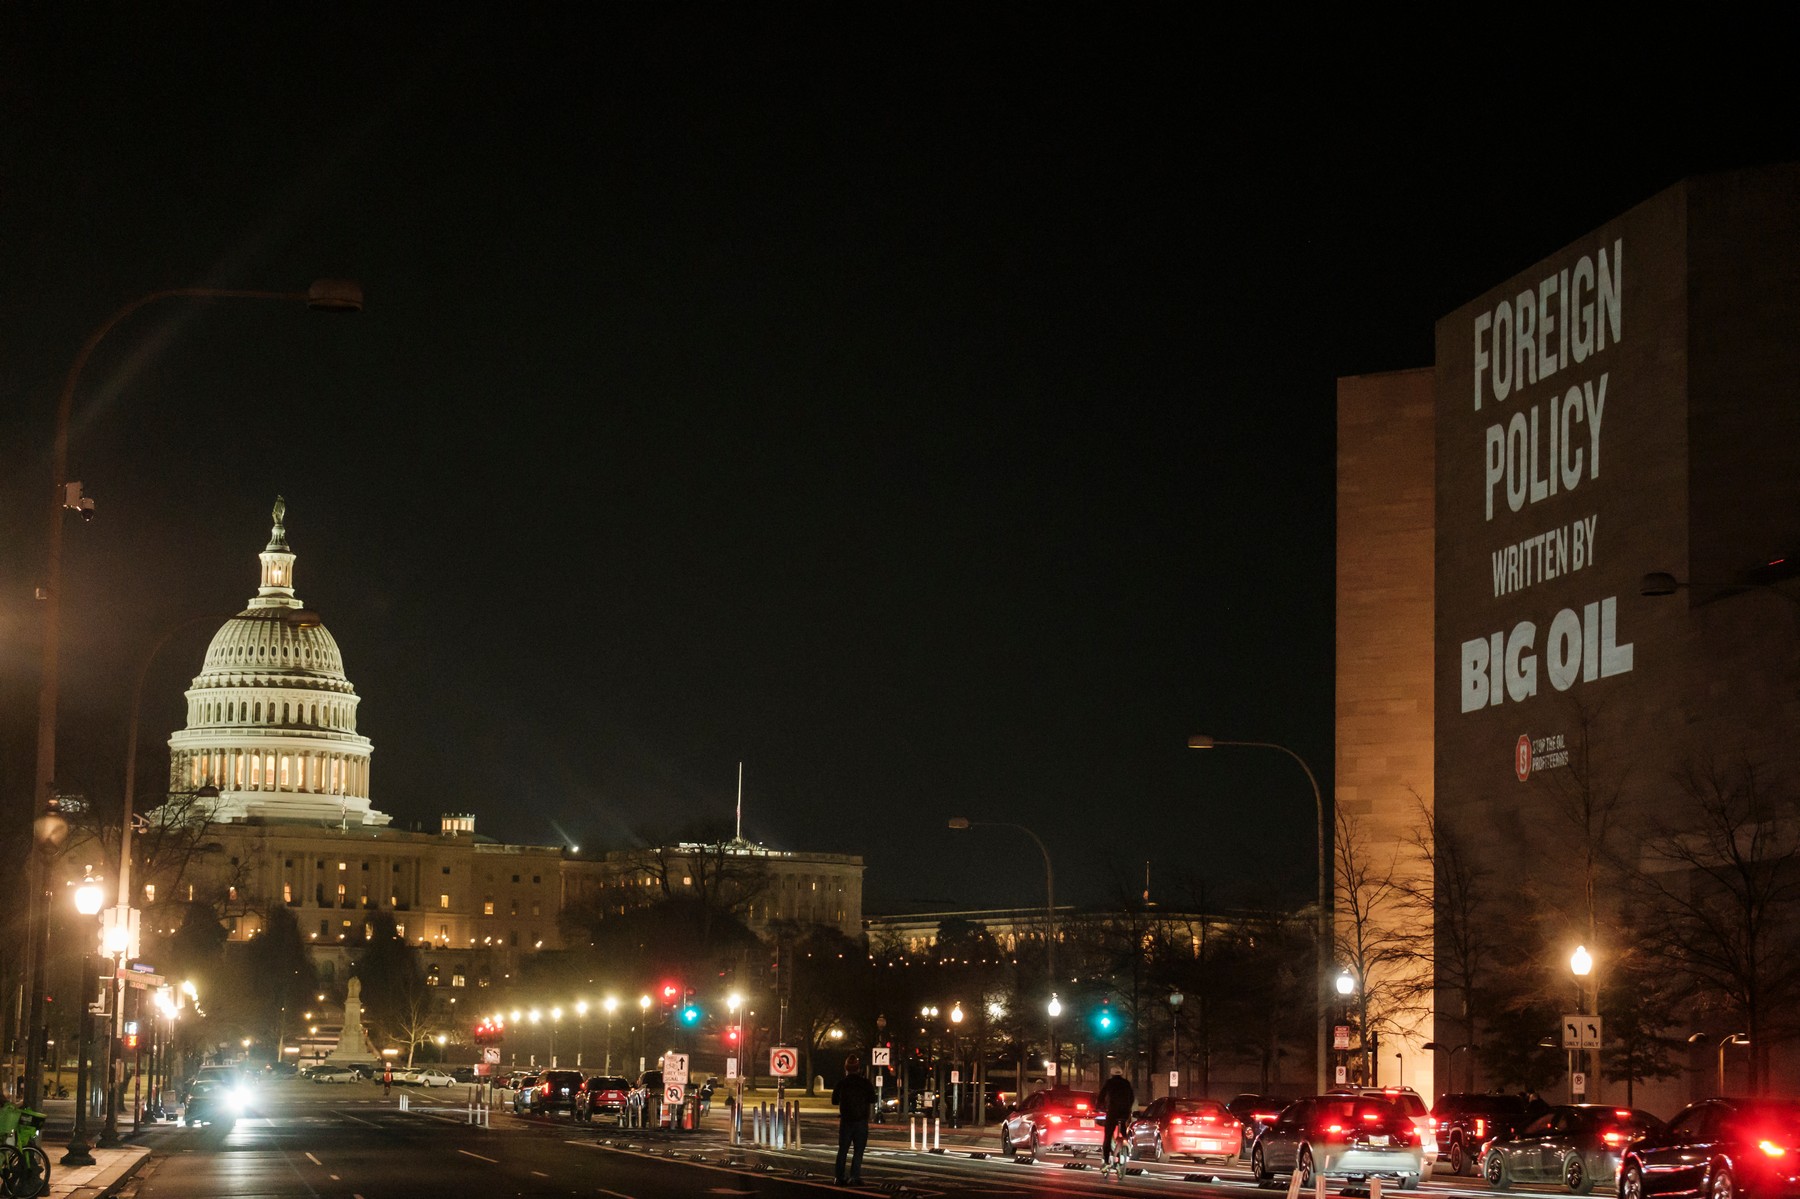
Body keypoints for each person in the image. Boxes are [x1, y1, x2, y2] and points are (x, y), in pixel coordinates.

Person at [831, 1055, 878, 1186]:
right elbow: (873, 1099)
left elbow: (834, 1101)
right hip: (861, 1120)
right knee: (858, 1150)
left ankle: (839, 1177)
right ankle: (855, 1176)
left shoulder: (842, 1083)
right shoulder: (865, 1083)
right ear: (858, 1069)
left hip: (846, 1120)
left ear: (846, 1068)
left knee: (843, 1150)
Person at [1096, 1066, 1135, 1171]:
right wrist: (1128, 1107)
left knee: (1108, 1136)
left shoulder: (1109, 1083)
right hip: (1125, 1112)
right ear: (1121, 1073)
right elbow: (1132, 1097)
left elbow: (1102, 1096)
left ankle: (1106, 1161)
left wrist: (1099, 1106)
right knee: (1123, 1129)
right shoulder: (1126, 1083)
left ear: (1112, 1073)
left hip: (1112, 1112)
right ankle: (1126, 1144)